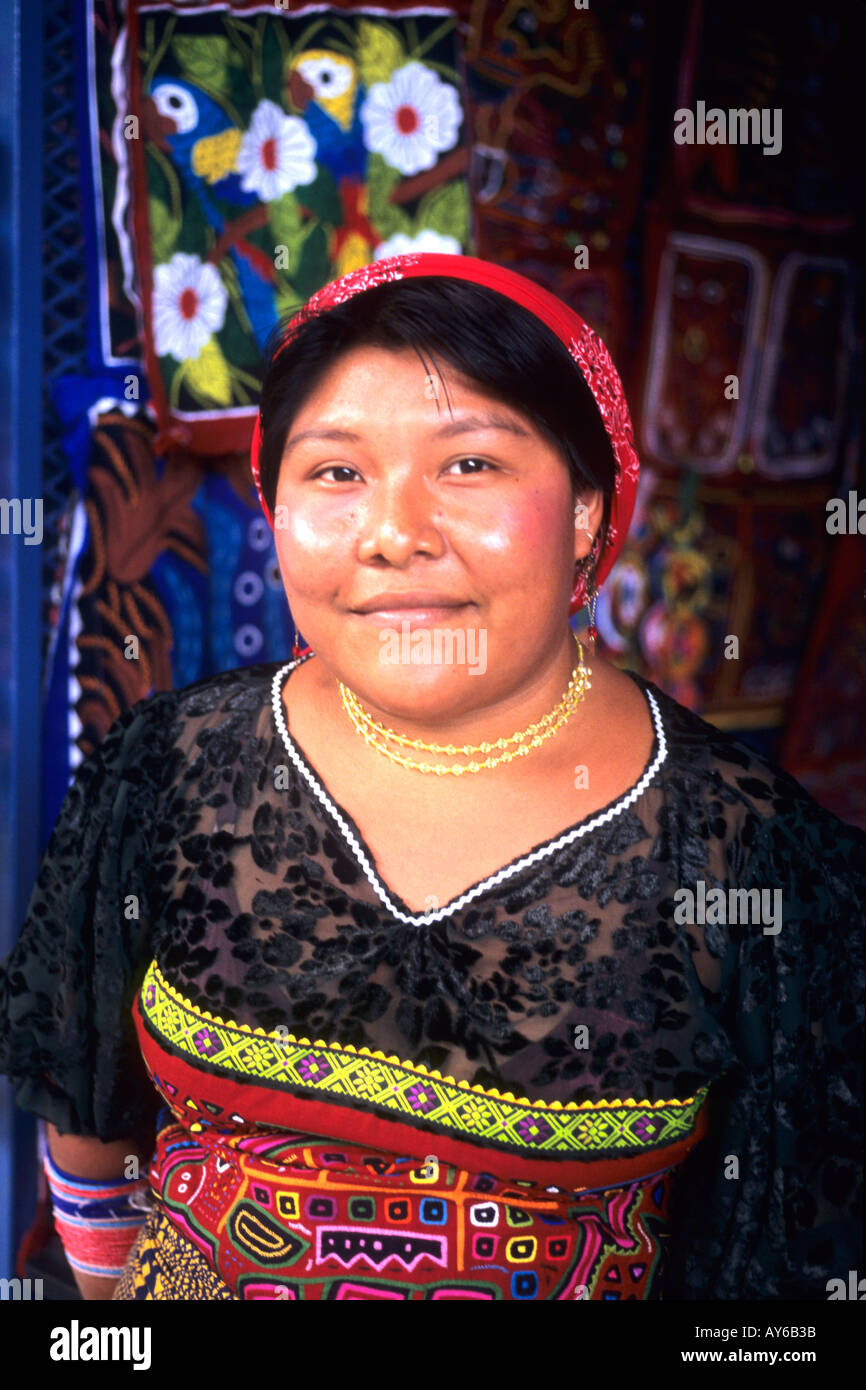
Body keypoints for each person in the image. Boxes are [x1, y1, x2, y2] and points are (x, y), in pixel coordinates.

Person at [0, 253, 862, 1301]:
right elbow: (89, 1125)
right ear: (275, 503)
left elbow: (779, 1267)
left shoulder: (753, 856)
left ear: (588, 508)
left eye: (470, 466)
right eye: (335, 472)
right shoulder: (167, 766)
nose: (395, 534)